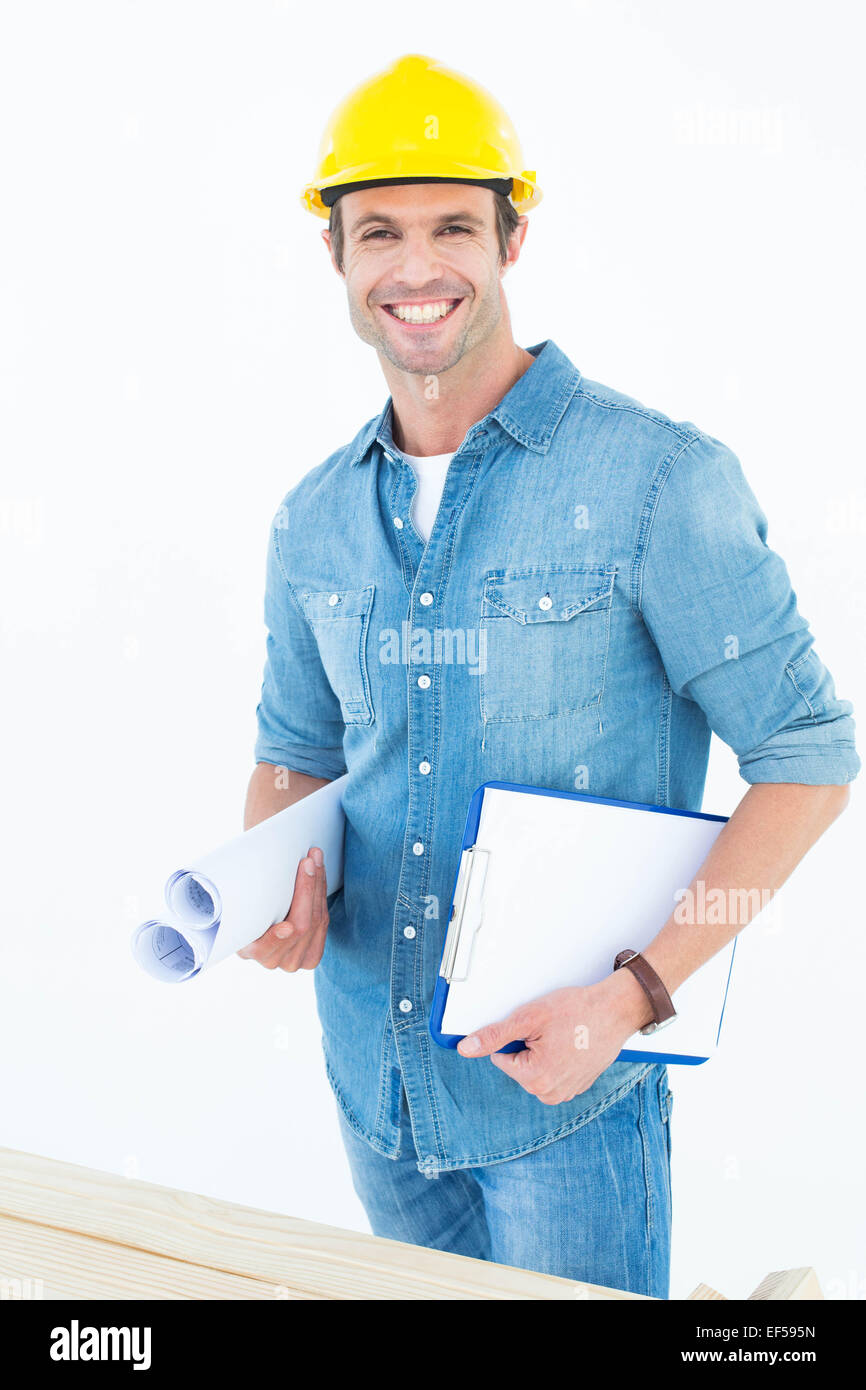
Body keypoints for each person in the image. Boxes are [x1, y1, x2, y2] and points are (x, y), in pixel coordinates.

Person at [238, 55, 858, 1298]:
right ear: (338, 258)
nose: (417, 268)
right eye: (381, 234)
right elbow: (292, 753)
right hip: (375, 1082)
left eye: (453, 227)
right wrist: (269, 888)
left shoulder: (655, 482)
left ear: (512, 237)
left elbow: (806, 757)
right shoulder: (312, 518)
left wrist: (631, 1001)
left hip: (566, 1102)